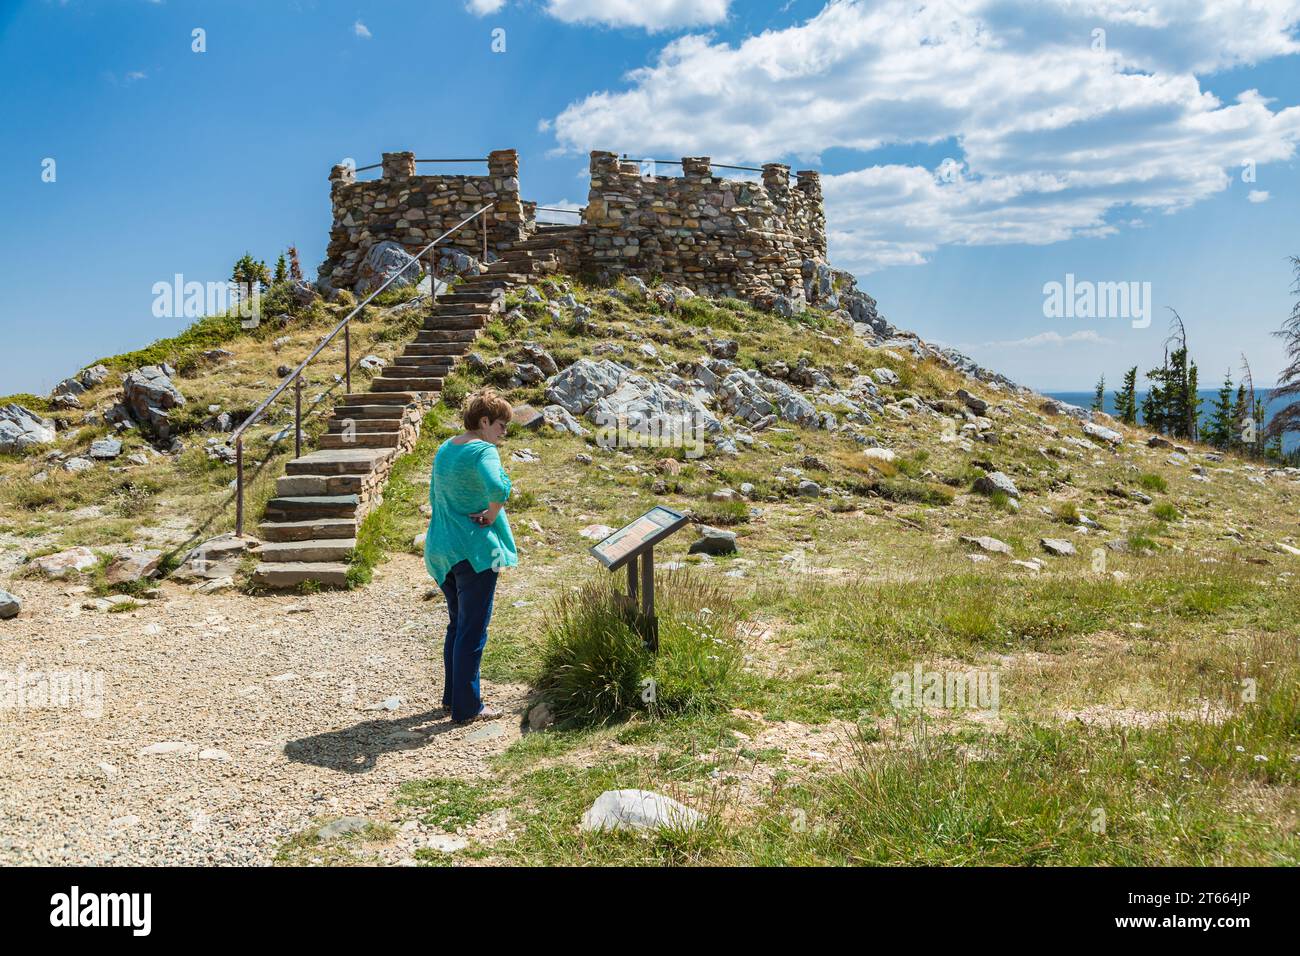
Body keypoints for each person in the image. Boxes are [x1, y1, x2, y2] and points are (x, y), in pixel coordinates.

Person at [423, 388, 518, 723]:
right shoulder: (483, 450)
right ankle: (468, 708)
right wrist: (492, 515)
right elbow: (499, 487)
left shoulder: (446, 447)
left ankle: (453, 697)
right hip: (475, 552)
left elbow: (435, 494)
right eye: (501, 425)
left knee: (457, 624)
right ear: (484, 421)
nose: (504, 432)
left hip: (441, 549)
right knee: (473, 630)